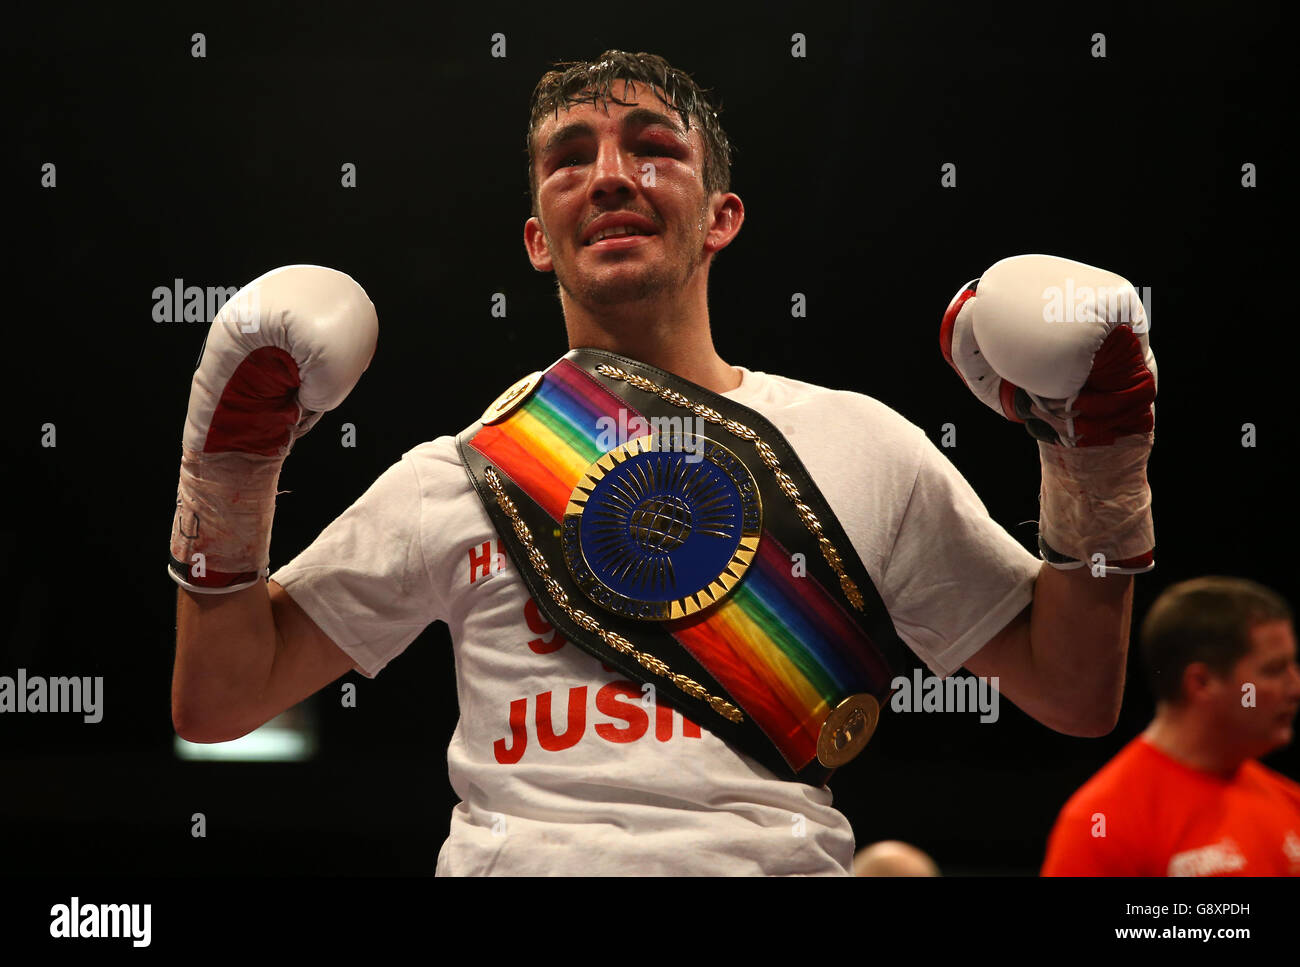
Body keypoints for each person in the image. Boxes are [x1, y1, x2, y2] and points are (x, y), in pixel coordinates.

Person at [169, 50, 1156, 875]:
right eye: (569, 159)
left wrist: (1099, 460)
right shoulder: (463, 468)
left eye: (651, 148)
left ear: (721, 215)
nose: (609, 175)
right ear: (536, 240)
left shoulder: (864, 443)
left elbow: (1071, 690)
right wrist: (230, 471)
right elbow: (221, 698)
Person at [1041, 577, 1300, 876]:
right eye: (1274, 670)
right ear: (1201, 683)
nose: (1294, 689)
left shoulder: (1290, 802)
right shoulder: (1102, 822)